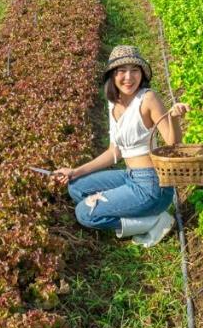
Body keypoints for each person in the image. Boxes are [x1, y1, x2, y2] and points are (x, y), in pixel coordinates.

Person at [52, 46, 190, 246]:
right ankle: (132, 208)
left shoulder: (147, 99)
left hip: (153, 185)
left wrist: (175, 118)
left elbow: (173, 143)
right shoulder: (113, 103)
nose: (128, 77)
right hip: (130, 176)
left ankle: (153, 221)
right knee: (76, 187)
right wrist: (75, 171)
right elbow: (114, 151)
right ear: (112, 75)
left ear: (142, 73)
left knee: (84, 213)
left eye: (134, 70)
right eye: (121, 71)